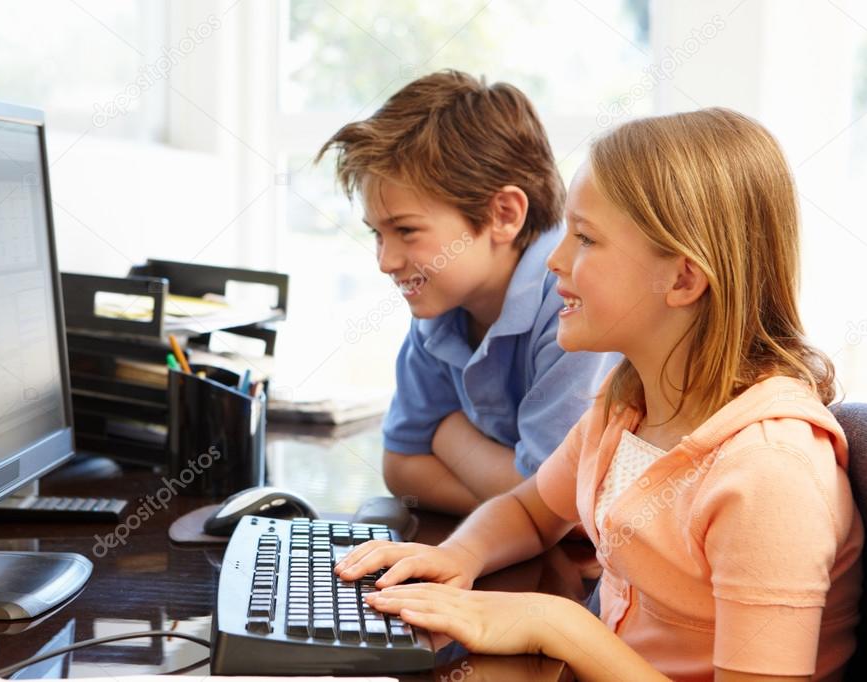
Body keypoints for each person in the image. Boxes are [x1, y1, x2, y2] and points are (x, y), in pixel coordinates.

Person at [335, 108, 863, 681]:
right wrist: (457, 556)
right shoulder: (628, 403)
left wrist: (555, 623)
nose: (556, 260)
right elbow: (530, 511)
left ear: (682, 279)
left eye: (584, 238)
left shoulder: (768, 473)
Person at [316, 70, 617, 514]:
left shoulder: (571, 302)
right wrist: (521, 504)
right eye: (377, 234)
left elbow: (563, 507)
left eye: (405, 230)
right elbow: (401, 468)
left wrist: (446, 434)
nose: (385, 261)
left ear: (503, 214)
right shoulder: (440, 311)